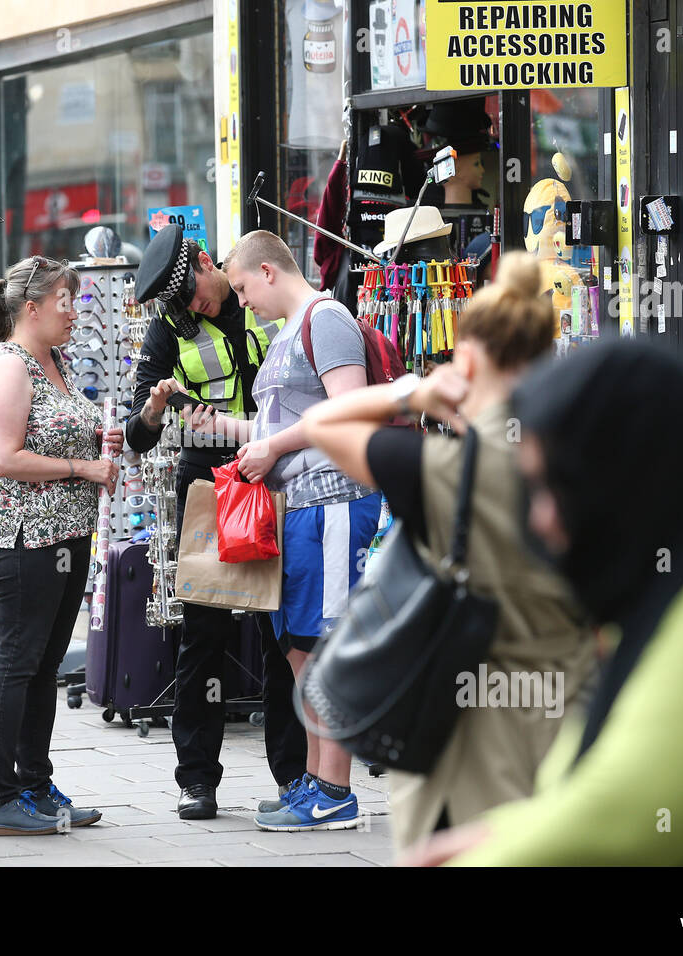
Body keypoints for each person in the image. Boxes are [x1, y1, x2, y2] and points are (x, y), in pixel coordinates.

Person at [402, 340, 683, 866]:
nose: (542, 520)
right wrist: (495, 835)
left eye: (558, 487)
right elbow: (586, 796)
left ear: (630, 473)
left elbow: (621, 823)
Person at [300, 252, 595, 852]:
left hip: (467, 753)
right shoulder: (590, 471)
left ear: (467, 360)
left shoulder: (447, 474)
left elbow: (322, 424)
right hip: (577, 744)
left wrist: (411, 394)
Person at [183, 229, 380, 832]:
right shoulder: (291, 333)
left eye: (242, 289)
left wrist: (269, 444)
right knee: (300, 648)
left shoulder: (328, 319)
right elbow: (288, 424)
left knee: (322, 650)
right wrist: (231, 431)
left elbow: (352, 408)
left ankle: (334, 792)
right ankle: (317, 785)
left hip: (332, 502)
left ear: (268, 272)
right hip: (298, 510)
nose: (241, 302)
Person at [125, 223, 304, 821]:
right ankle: (196, 780)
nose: (193, 309)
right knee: (203, 635)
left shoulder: (264, 295)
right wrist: (152, 409)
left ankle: (294, 775)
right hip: (208, 486)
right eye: (180, 306)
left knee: (284, 632)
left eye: (196, 295)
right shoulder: (166, 329)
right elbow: (134, 436)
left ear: (207, 261)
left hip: (275, 472)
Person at [0, 257, 119, 834]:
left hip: (65, 533)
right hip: (24, 535)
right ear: (30, 308)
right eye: (66, 299)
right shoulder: (10, 366)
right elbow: (5, 458)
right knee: (16, 660)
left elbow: (51, 431)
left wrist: (94, 438)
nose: (75, 311)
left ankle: (34, 783)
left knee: (43, 664)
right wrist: (83, 465)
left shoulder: (50, 362)